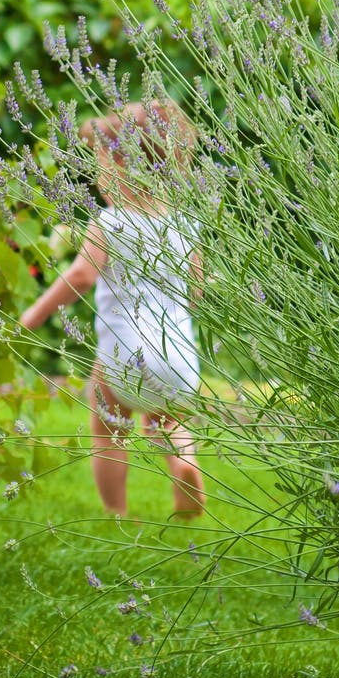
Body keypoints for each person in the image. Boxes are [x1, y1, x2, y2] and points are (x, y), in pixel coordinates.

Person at [19, 101, 205, 518]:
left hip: (124, 352)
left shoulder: (110, 223)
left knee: (108, 431)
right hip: (179, 353)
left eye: (101, 163)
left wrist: (35, 315)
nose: (98, 175)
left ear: (120, 165)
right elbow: (194, 291)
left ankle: (116, 512)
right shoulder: (185, 225)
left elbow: (82, 276)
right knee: (170, 422)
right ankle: (185, 467)